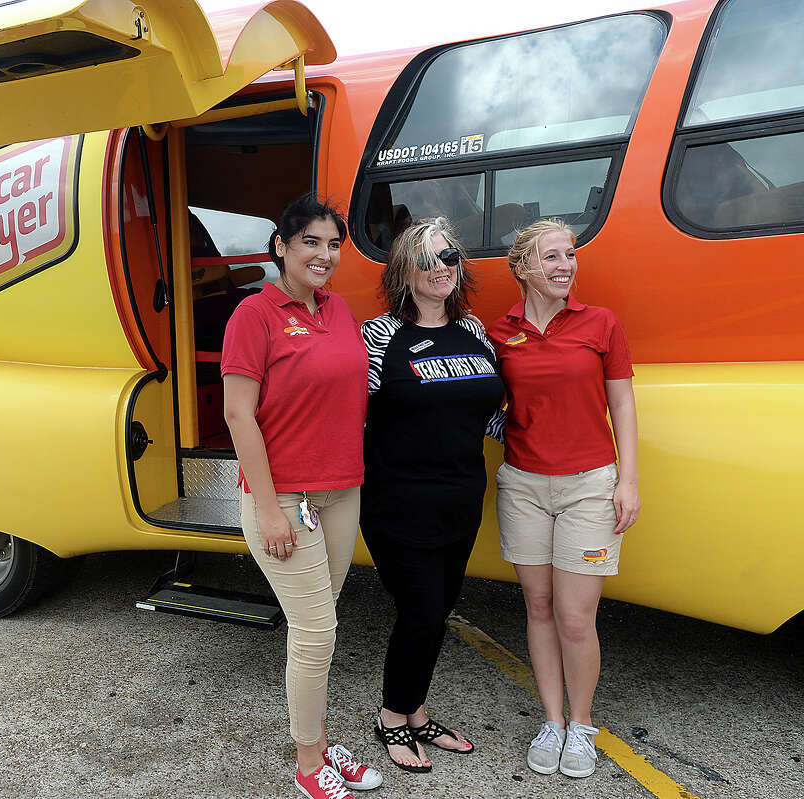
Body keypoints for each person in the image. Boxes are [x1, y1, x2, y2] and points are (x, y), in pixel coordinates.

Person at [221, 195, 383, 799]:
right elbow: (239, 416)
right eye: (311, 242)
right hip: (284, 498)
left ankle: (316, 734)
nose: (324, 255)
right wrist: (267, 509)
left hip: (342, 493)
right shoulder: (254, 315)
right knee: (316, 631)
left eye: (333, 244)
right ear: (282, 248)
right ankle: (309, 761)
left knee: (318, 627)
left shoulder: (339, 310)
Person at [487, 219, 640, 779]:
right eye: (552, 257)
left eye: (570, 256)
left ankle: (581, 726)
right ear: (523, 267)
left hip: (589, 487)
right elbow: (477, 393)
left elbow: (621, 405)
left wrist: (628, 480)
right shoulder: (498, 332)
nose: (565, 267)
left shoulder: (600, 324)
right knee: (538, 607)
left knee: (577, 617)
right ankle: (551, 721)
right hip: (523, 486)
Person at [359, 218, 505, 774]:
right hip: (398, 501)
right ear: (403, 271)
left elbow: (489, 414)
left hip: (462, 497)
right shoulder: (379, 335)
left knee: (438, 611)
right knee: (420, 611)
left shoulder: (473, 332)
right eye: (427, 259)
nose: (441, 267)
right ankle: (392, 716)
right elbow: (354, 417)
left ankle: (416, 712)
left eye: (449, 257)